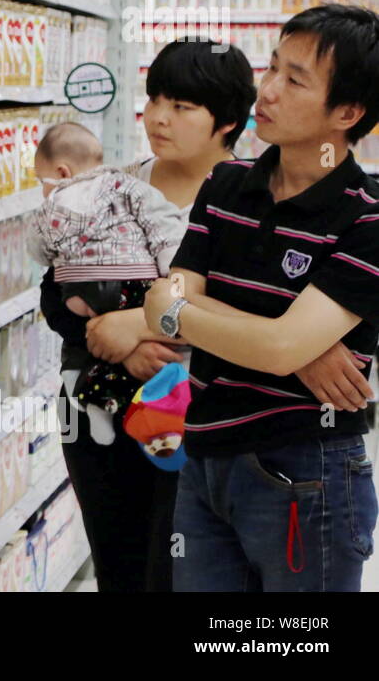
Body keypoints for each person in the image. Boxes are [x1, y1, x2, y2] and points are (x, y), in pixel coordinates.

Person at [143, 5, 379, 591]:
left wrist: (188, 312)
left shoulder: (366, 217)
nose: (266, 90)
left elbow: (262, 342)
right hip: (202, 456)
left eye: (294, 80)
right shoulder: (225, 185)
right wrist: (293, 345)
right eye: (271, 67)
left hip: (306, 467)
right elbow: (159, 301)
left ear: (347, 112)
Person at [41, 37, 256, 592]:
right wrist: (114, 341)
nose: (159, 118)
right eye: (155, 98)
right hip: (100, 407)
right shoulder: (110, 188)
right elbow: (55, 294)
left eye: (182, 107)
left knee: (181, 571)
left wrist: (138, 326)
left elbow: (254, 313)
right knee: (120, 564)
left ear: (228, 121)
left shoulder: (250, 203)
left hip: (203, 416)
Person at [27, 121, 185, 443]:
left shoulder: (55, 202)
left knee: (84, 347)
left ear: (61, 171)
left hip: (79, 291)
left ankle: (90, 397)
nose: (163, 117)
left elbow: (40, 251)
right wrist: (172, 272)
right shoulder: (128, 185)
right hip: (137, 286)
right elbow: (163, 230)